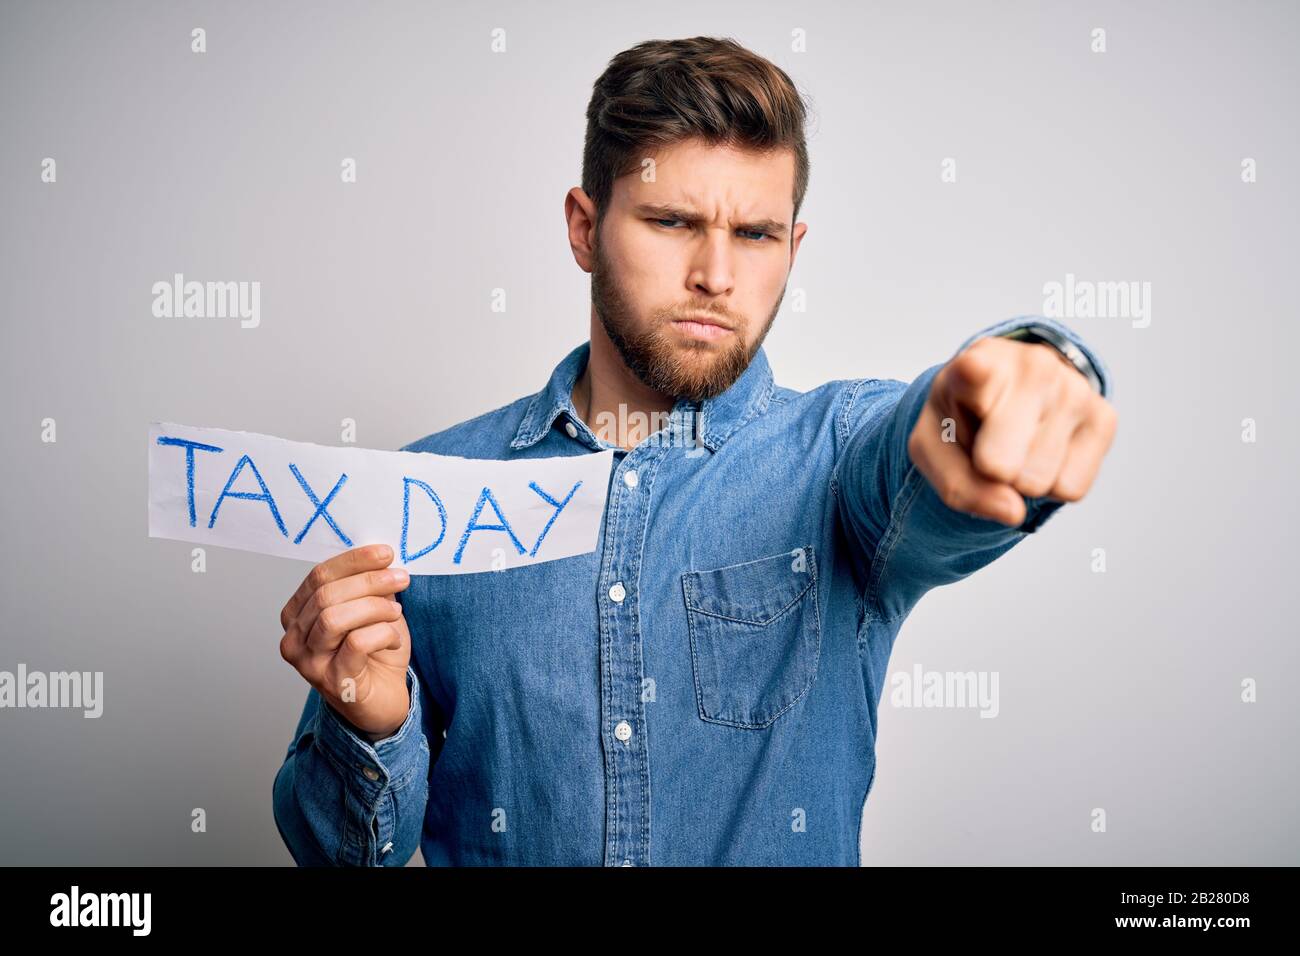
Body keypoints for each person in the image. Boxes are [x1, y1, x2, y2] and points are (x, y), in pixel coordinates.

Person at [272, 36, 1117, 866]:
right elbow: (340, 856)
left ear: (793, 246)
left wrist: (1002, 399)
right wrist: (368, 720)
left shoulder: (838, 458)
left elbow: (918, 460)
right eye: (673, 221)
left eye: (755, 235)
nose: (717, 274)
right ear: (584, 227)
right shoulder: (430, 492)